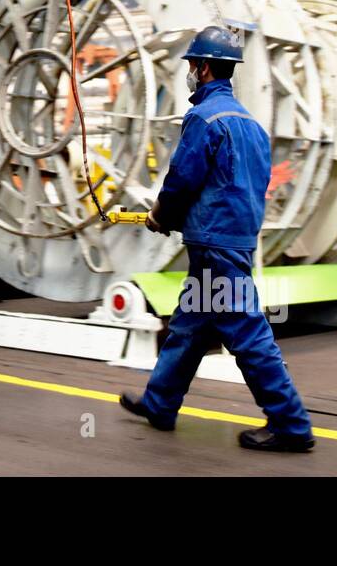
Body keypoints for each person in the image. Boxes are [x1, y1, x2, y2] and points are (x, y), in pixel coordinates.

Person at [119, 26, 314, 452]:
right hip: (237, 236)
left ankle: (291, 424)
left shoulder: (203, 118)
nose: (190, 71)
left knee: (246, 332)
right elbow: (250, 185)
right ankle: (160, 403)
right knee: (190, 325)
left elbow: (183, 180)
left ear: (203, 67)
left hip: (214, 242)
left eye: (191, 65)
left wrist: (160, 216)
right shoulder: (251, 125)